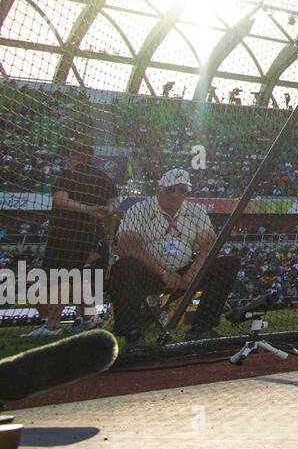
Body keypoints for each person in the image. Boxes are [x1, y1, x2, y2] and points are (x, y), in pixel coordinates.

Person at [108, 169, 240, 341]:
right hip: (150, 273)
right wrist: (163, 273)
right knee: (123, 267)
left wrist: (192, 274)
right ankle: (132, 334)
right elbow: (126, 245)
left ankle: (202, 329)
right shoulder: (140, 209)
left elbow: (209, 245)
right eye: (171, 189)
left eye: (183, 190)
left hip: (185, 272)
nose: (176, 194)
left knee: (228, 263)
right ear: (158, 190)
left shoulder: (195, 211)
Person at [26, 141, 117, 338]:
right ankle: (87, 319)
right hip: (93, 235)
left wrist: (89, 210)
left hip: (69, 236)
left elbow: (60, 200)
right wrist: (101, 212)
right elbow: (113, 205)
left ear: (76, 156)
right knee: (77, 279)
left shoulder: (69, 175)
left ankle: (52, 325)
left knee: (66, 278)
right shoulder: (102, 177)